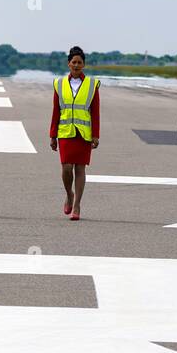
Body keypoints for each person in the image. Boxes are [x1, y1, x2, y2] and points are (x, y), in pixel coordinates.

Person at [49, 46, 100, 221]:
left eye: (79, 62)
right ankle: (69, 194)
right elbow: (56, 111)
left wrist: (96, 134)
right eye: (73, 62)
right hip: (65, 132)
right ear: (68, 64)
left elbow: (95, 112)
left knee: (80, 168)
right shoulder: (59, 83)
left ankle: (77, 205)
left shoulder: (92, 85)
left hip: (83, 133)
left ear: (84, 65)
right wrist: (52, 135)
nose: (76, 65)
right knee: (66, 167)